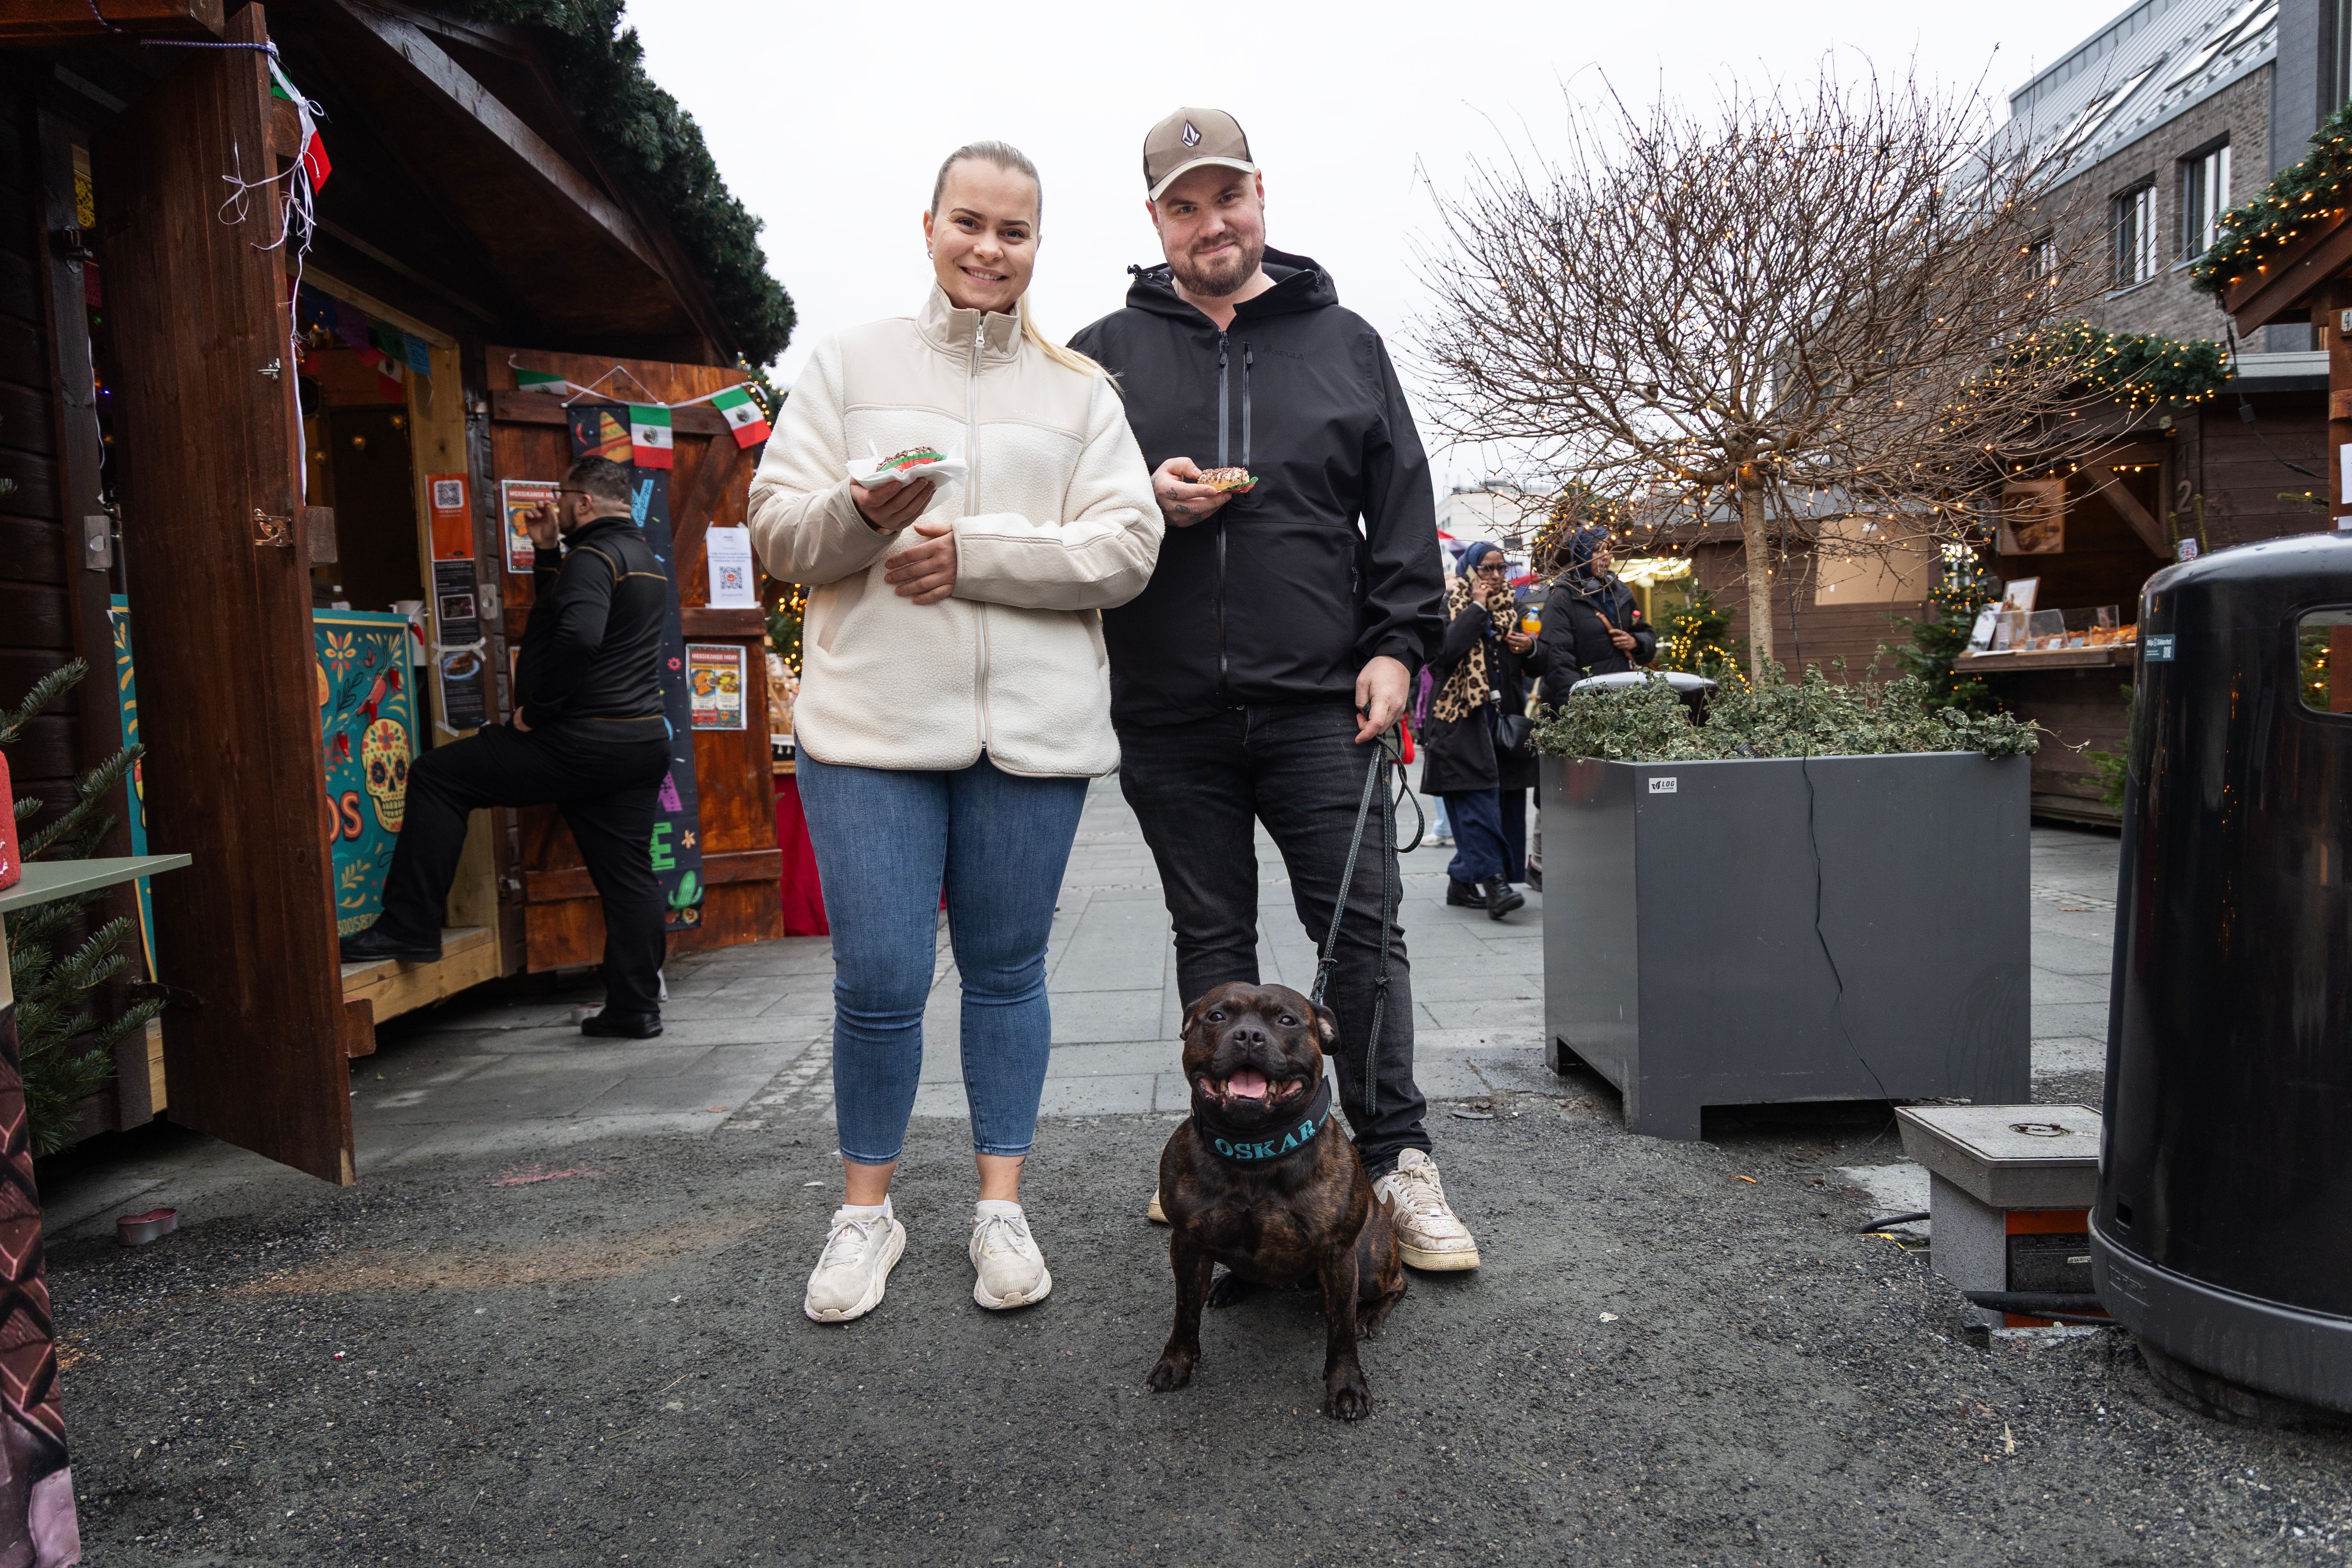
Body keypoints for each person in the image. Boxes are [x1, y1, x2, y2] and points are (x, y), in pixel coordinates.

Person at [747, 142, 1160, 1324]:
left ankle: (1000, 1205)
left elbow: (1128, 548)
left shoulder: (1082, 391)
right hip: (873, 726)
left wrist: (975, 557)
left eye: (1015, 232)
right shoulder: (847, 364)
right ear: (927, 225)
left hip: (1032, 732)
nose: (990, 250)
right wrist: (863, 515)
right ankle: (866, 1213)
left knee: (1006, 972)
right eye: (969, 224)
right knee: (876, 978)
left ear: (1040, 244)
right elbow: (780, 534)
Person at [1070, 107, 1480, 1272]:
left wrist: (1401, 644)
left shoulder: (1345, 340)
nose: (1212, 223)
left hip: (1323, 705)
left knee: (1360, 938)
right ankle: (1223, 1166)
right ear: (1156, 219)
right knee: (1212, 939)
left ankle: (1398, 1163)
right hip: (1168, 708)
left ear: (1262, 197)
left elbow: (1400, 506)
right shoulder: (1099, 356)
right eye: (1184, 205)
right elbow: (1065, 518)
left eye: (1227, 197)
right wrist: (1147, 500)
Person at [340, 456, 672, 1038]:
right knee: (630, 879)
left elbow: (576, 636)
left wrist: (536, 712)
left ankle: (409, 926)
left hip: (577, 741)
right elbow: (568, 612)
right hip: (638, 741)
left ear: (585, 503)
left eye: (564, 496)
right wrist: (547, 553)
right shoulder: (643, 560)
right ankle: (636, 1008)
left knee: (440, 777)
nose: (557, 505)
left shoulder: (593, 558)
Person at [1418, 542, 1528, 919]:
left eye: (1501, 569)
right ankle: (1494, 884)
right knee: (1475, 807)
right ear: (1470, 570)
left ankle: (1462, 879)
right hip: (1459, 723)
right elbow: (1443, 654)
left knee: (1504, 808)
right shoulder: (1445, 606)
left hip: (1503, 724)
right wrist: (1478, 608)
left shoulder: (1515, 609)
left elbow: (1544, 659)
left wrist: (1530, 648)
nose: (1496, 577)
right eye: (1487, 569)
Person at [1531, 525, 1657, 709]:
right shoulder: (1562, 598)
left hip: (1623, 701)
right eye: (1597, 550)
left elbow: (1647, 633)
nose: (1606, 556)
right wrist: (1584, 705)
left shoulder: (1620, 592)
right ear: (1581, 554)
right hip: (1586, 707)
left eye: (1608, 549)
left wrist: (1636, 642)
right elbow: (1558, 662)